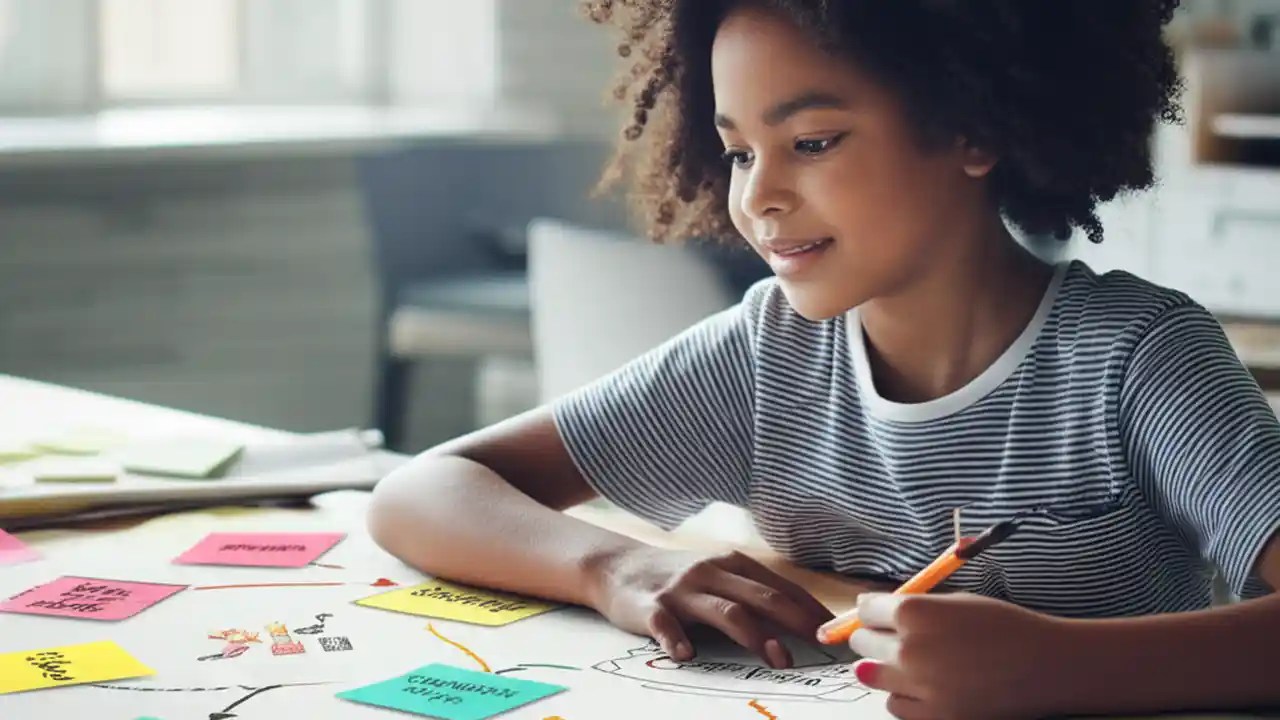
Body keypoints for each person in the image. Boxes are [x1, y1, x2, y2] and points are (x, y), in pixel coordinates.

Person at [369, 2, 1280, 717]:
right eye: (736, 151)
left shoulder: (1137, 361)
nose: (758, 195)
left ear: (974, 127)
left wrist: (1059, 666)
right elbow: (426, 490)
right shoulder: (769, 355)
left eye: (812, 143)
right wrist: (618, 568)